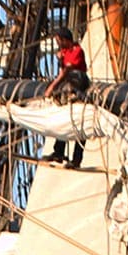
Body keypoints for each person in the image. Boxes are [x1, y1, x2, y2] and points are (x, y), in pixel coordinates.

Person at [46, 27, 89, 167]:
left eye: (59, 40)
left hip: (78, 86)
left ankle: (76, 160)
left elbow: (65, 72)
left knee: (79, 122)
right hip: (67, 86)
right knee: (63, 121)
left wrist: (52, 87)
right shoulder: (65, 52)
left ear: (65, 39)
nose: (57, 43)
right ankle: (58, 152)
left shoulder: (77, 51)